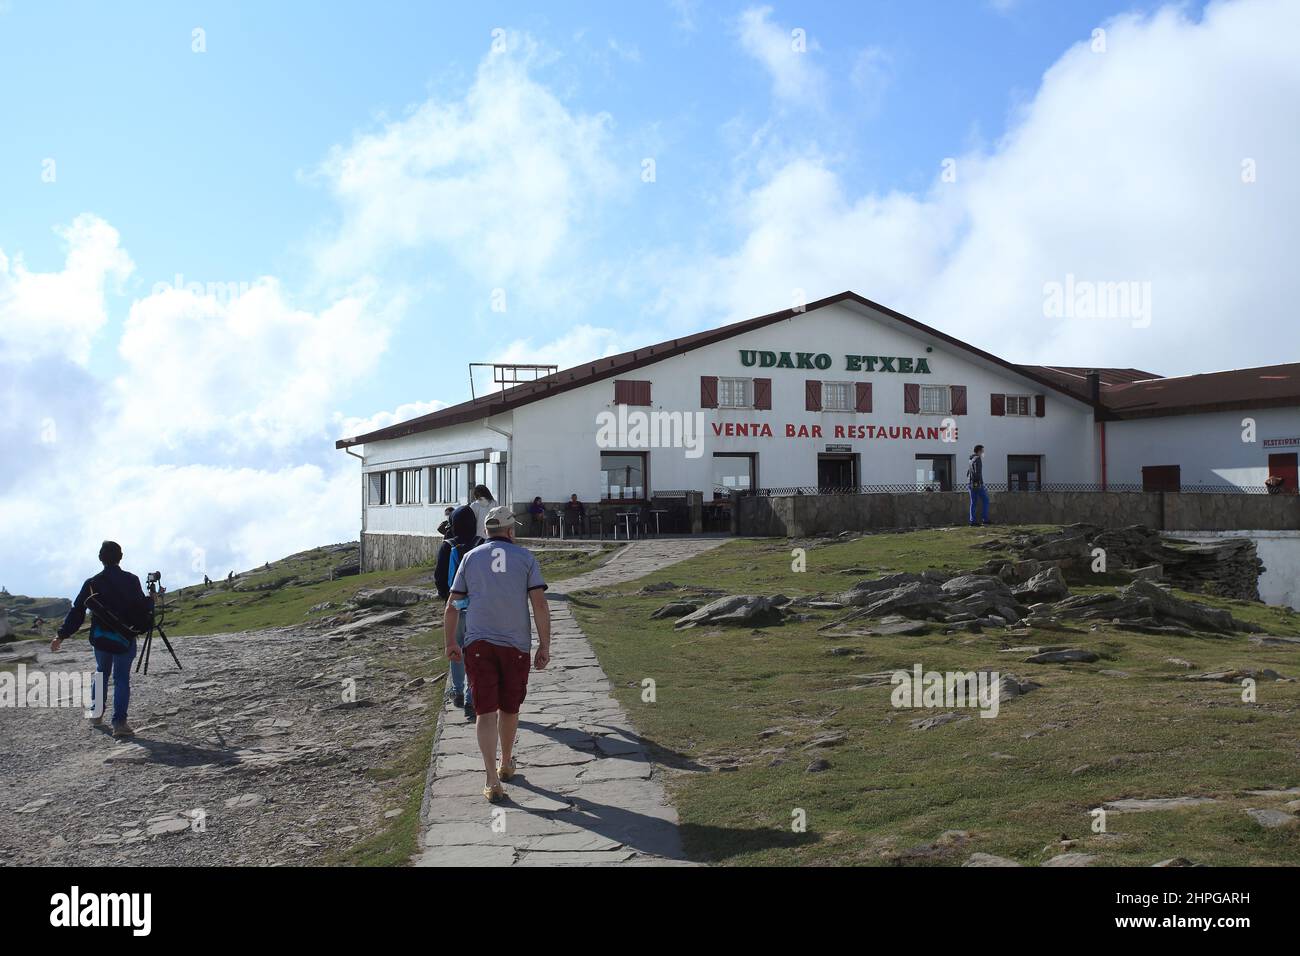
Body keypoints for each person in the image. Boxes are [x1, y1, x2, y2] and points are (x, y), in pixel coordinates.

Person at [444, 505, 551, 803]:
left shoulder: (469, 558)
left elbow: (452, 605)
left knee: (485, 711)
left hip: (478, 644)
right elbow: (540, 605)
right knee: (510, 708)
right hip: (515, 645)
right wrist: (545, 644)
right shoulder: (525, 558)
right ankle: (506, 762)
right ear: (510, 531)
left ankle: (491, 779)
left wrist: (450, 642)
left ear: (487, 531)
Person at [49, 541, 154, 737]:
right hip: (125, 637)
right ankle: (119, 724)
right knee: (122, 678)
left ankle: (96, 714)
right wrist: (152, 600)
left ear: (100, 558)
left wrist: (61, 635)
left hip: (101, 637)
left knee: (101, 673)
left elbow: (77, 611)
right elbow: (141, 608)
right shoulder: (132, 580)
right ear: (120, 557)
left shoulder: (92, 582)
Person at [435, 505, 484, 721]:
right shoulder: (481, 544)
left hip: (455, 607)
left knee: (456, 649)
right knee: (475, 653)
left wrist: (446, 598)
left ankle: (457, 689)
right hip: (477, 606)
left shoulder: (448, 546)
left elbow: (439, 576)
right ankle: (470, 699)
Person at [967, 444, 990, 526]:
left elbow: (969, 473)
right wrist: (977, 484)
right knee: (986, 500)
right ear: (979, 451)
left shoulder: (971, 459)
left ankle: (972, 521)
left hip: (970, 483)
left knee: (973, 502)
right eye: (983, 451)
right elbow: (977, 472)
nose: (983, 453)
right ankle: (985, 519)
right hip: (977, 483)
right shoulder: (978, 459)